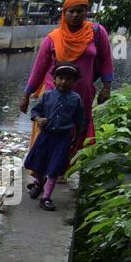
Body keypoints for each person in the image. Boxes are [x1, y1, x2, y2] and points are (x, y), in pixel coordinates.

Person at [18, 0, 114, 151]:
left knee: (78, 126)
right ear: (64, 13)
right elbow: (39, 69)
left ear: (86, 11)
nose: (75, 15)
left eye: (79, 11)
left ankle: (68, 167)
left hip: (82, 92)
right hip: (54, 93)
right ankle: (43, 168)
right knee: (50, 128)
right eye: (71, 11)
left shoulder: (97, 33)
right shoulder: (53, 38)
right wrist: (26, 96)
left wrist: (107, 87)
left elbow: (106, 61)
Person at [23, 64, 87, 211]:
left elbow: (79, 121)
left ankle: (46, 198)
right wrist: (39, 119)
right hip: (45, 136)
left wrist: (76, 139)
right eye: (61, 78)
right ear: (55, 79)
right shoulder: (47, 96)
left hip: (63, 139)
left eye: (68, 79)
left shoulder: (76, 99)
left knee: (54, 169)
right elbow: (35, 111)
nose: (64, 82)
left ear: (74, 81)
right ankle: (39, 182)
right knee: (37, 164)